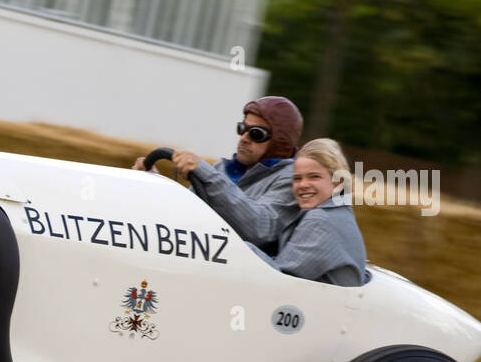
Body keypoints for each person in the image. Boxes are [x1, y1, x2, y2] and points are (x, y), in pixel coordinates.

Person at [135, 96, 304, 252]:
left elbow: (261, 229)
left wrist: (206, 173)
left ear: (279, 142)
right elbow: (183, 212)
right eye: (242, 128)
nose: (244, 138)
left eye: (256, 134)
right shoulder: (223, 169)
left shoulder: (293, 179)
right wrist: (154, 184)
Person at [246, 138, 367, 287]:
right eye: (297, 178)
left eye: (314, 176)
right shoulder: (340, 213)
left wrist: (238, 248)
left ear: (337, 181)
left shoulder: (322, 220)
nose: (303, 185)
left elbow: (279, 279)